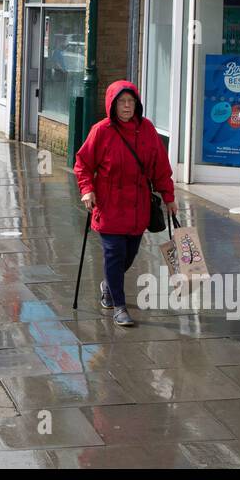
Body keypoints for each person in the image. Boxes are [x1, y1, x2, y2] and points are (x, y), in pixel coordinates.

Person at [73, 80, 177, 327]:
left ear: (137, 104)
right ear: (113, 104)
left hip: (138, 206)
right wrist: (87, 190)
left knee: (128, 255)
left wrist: (169, 198)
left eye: (131, 101)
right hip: (109, 205)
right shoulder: (101, 130)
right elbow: (83, 163)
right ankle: (119, 307)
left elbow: (161, 167)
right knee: (114, 254)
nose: (127, 106)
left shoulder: (147, 130)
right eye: (122, 102)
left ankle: (109, 283)